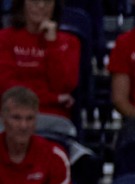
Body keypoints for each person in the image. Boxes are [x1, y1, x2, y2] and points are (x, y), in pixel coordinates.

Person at [1, 0, 81, 128]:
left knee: (64, 129)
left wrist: (52, 44)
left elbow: (63, 86)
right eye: (35, 1)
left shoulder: (71, 42)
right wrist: (53, 99)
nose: (41, 6)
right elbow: (8, 88)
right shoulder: (4, 39)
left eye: (47, 2)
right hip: (13, 115)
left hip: (54, 117)